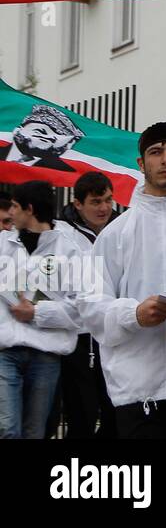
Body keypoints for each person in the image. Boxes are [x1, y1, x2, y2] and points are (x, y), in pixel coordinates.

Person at [79, 123, 166, 439]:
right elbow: (91, 306)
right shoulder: (115, 234)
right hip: (135, 389)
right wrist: (133, 315)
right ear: (141, 164)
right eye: (156, 152)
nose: (165, 159)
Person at [0, 181, 89, 439]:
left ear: (29, 209)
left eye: (15, 206)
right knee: (7, 428)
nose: (11, 212)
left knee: (35, 431)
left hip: (45, 354)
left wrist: (36, 313)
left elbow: (80, 308)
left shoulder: (70, 249)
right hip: (6, 351)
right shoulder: (3, 244)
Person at [54, 171, 118, 440]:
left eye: (108, 200)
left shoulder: (120, 230)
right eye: (95, 202)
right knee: (83, 415)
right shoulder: (60, 234)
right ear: (78, 204)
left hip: (113, 334)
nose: (104, 208)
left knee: (117, 412)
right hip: (79, 339)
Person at [2, 105, 85, 172]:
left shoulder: (62, 171)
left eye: (56, 138)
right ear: (17, 130)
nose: (49, 138)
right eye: (40, 132)